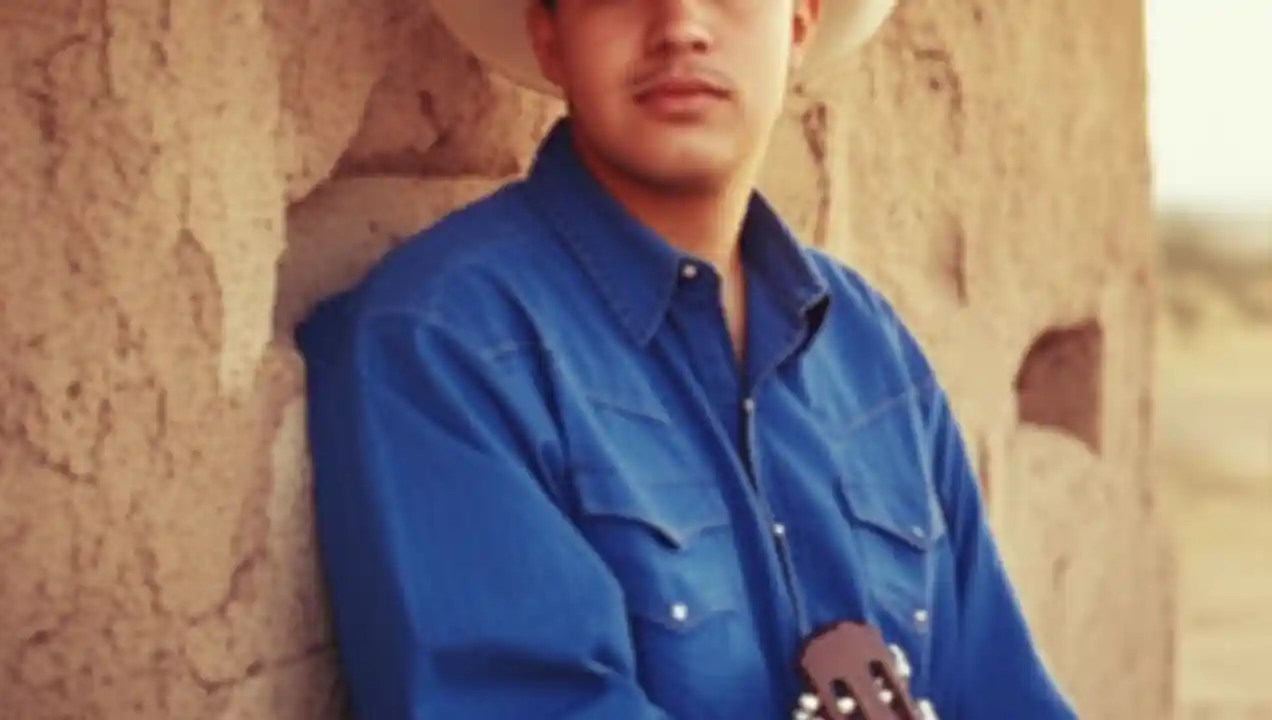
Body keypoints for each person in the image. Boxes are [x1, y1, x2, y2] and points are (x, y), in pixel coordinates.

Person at [296, 0, 1079, 718]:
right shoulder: (449, 343)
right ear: (551, 35)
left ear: (800, 23)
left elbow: (1002, 688)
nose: (679, 23)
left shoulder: (871, 349)